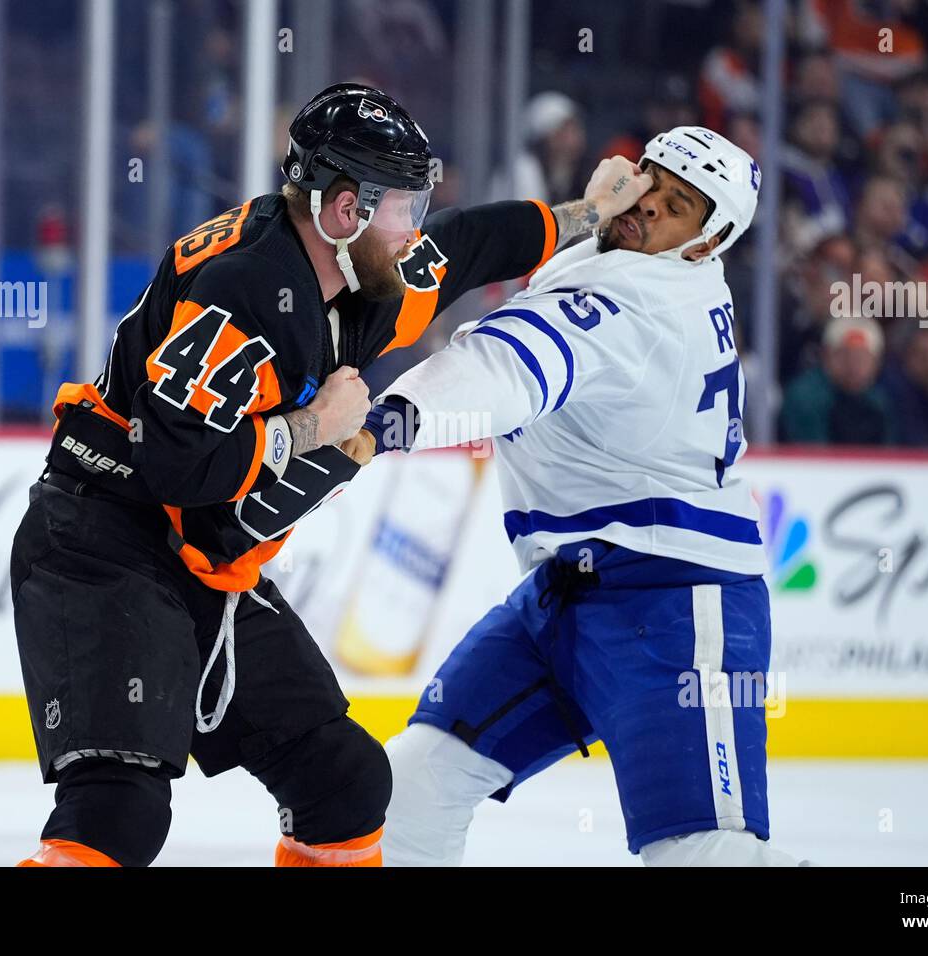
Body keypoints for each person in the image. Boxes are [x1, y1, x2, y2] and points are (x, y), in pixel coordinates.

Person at [10, 83, 647, 867]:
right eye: (403, 208)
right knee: (118, 810)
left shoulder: (357, 273)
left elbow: (467, 245)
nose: (415, 229)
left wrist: (589, 214)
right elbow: (174, 463)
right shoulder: (244, 291)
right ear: (345, 209)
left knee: (343, 781)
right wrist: (313, 429)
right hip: (101, 539)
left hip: (201, 561)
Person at [343, 126, 809, 866]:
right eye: (651, 179)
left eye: (677, 204)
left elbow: (500, 371)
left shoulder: (635, 305)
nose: (649, 203)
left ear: (705, 243)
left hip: (675, 601)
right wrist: (589, 208)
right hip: (567, 593)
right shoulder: (635, 261)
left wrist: (376, 427)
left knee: (702, 856)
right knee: (414, 789)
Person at [780, 315, 893, 445]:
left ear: (877, 362)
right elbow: (812, 456)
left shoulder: (881, 402)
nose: (853, 364)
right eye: (844, 354)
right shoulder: (804, 397)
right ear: (826, 355)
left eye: (862, 357)